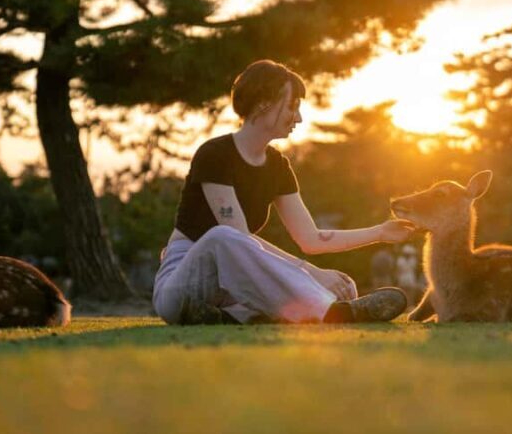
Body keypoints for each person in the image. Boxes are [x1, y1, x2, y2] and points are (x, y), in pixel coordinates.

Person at [153, 59, 415, 325]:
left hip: (231, 292)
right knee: (223, 236)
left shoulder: (277, 166)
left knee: (334, 283)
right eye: (292, 106)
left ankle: (225, 318)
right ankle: (334, 313)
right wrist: (310, 272)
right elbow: (238, 238)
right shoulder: (215, 155)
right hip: (182, 286)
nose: (298, 118)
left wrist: (380, 232)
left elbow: (310, 239)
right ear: (265, 103)